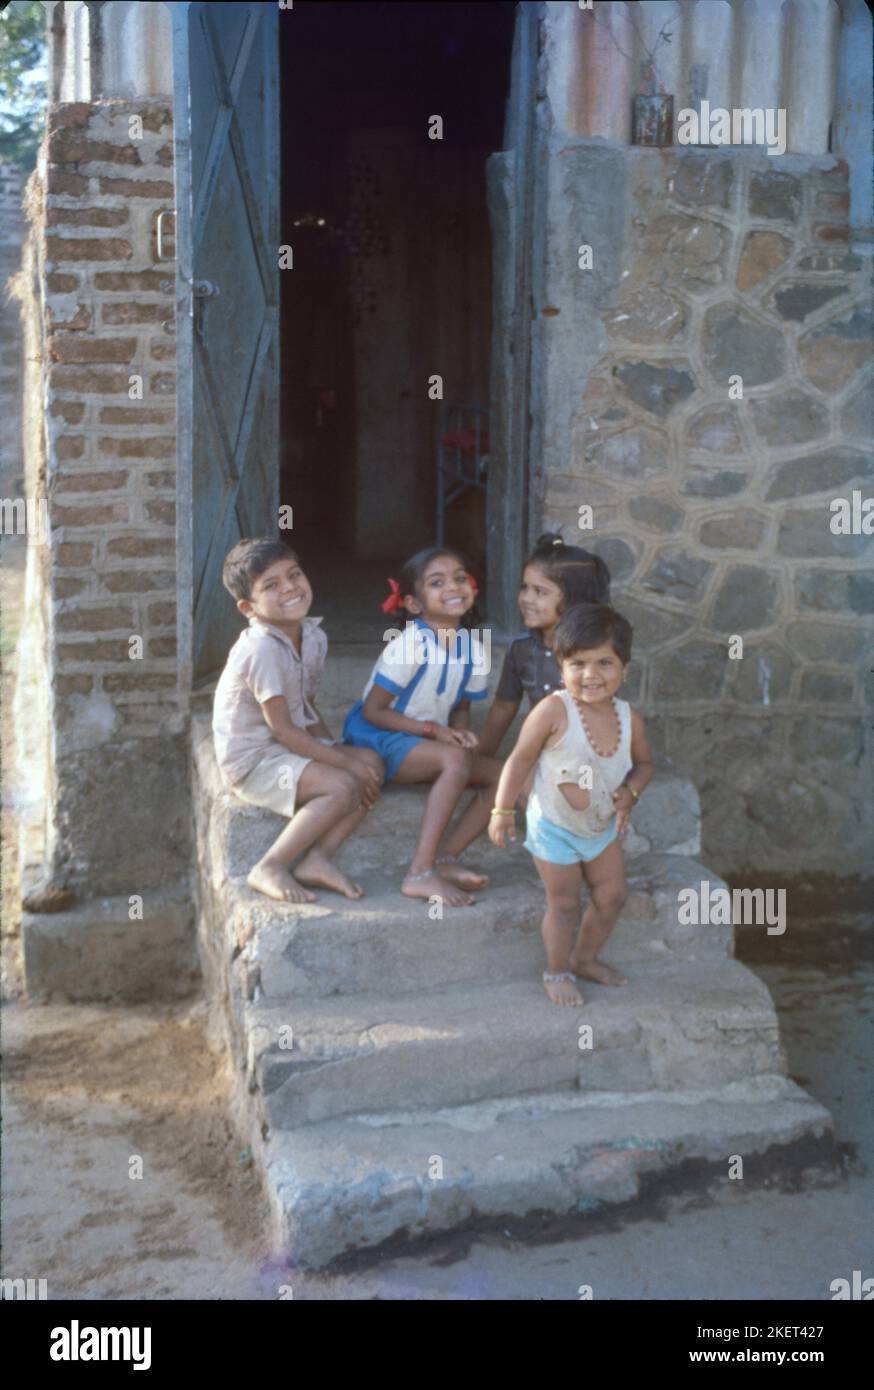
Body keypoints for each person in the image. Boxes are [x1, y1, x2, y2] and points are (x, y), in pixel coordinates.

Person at [488, 603, 654, 1006]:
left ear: (625, 669)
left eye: (604, 663)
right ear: (561, 666)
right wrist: (502, 810)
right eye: (577, 663)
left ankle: (584, 958)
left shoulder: (628, 718)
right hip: (554, 828)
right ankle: (557, 970)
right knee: (563, 904)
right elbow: (520, 760)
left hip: (599, 828)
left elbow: (645, 765)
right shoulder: (553, 711)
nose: (590, 675)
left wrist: (629, 793)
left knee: (612, 896)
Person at [212, 538, 384, 904]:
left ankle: (318, 859)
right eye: (271, 585)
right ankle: (271, 866)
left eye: (294, 575)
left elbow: (305, 705)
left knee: (372, 763)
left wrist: (336, 748)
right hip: (254, 760)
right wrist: (342, 761)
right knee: (342, 784)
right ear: (248, 607)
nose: (289, 587)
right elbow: (283, 729)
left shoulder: (313, 636)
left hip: (287, 746)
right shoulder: (260, 649)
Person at [342, 547, 502, 907]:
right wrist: (436, 732)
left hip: (426, 743)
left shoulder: (475, 648)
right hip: (379, 737)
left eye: (460, 577)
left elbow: (460, 705)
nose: (453, 586)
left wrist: (459, 731)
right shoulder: (409, 645)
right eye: (437, 582)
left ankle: (446, 857)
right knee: (455, 762)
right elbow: (373, 711)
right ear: (414, 604)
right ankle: (419, 872)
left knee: (508, 775)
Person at [477, 532, 611, 760]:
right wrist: (480, 757)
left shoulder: (594, 652)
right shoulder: (520, 651)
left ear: (573, 598)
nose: (526, 598)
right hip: (542, 756)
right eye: (524, 587)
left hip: (589, 759)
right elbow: (503, 707)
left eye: (540, 592)